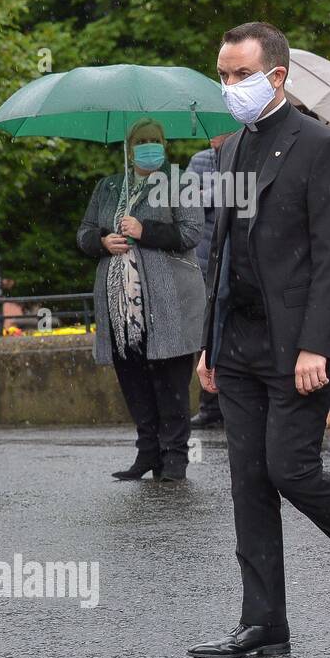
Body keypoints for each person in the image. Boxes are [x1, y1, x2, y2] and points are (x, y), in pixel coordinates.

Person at [188, 22, 330, 658]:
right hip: (239, 341)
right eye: (224, 76)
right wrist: (208, 343)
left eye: (240, 76)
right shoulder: (229, 150)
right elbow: (220, 257)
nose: (230, 87)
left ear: (275, 76)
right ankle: (263, 622)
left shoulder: (320, 147)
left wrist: (317, 344)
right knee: (248, 481)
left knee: (290, 469)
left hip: (301, 343)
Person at [76, 118, 204, 482]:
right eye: (142, 141)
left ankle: (175, 456)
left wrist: (145, 230)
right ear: (129, 148)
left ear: (165, 143)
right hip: (120, 307)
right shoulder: (108, 187)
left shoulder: (181, 182)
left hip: (170, 302)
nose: (150, 146)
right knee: (133, 380)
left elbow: (191, 232)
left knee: (171, 382)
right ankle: (148, 452)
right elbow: (83, 232)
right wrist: (101, 240)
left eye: (156, 140)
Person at [188, 132, 229, 429]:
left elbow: (242, 198)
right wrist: (218, 193)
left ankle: (231, 404)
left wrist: (210, 194)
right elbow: (186, 202)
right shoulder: (199, 161)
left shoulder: (244, 156)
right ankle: (209, 407)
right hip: (204, 260)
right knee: (206, 335)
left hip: (233, 255)